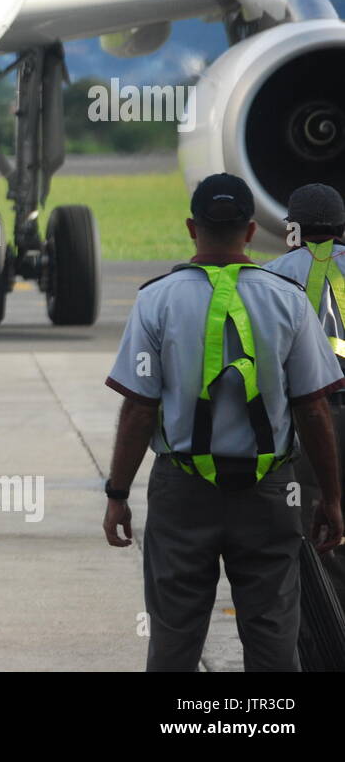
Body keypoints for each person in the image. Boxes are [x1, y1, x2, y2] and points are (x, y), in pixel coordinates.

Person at [102, 173, 344, 671]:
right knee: (274, 628)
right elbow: (313, 407)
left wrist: (117, 493)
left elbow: (139, 408)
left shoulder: (156, 299)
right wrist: (330, 496)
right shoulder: (287, 299)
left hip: (182, 489)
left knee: (173, 630)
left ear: (192, 228)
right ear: (252, 231)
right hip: (269, 488)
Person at [263, 183, 345, 601]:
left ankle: (319, 630)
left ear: (293, 228)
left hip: (307, 418)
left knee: (311, 526)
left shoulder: (271, 275)